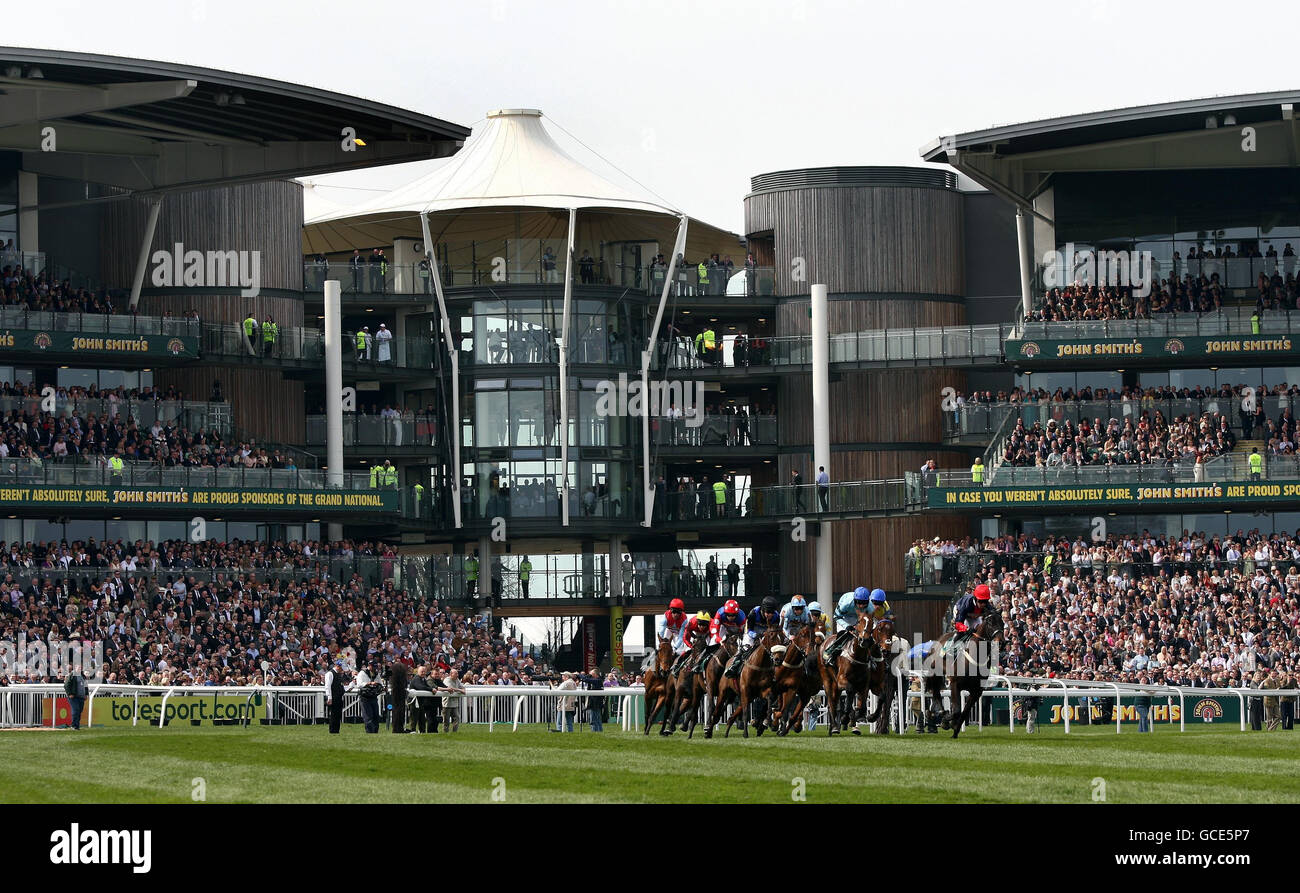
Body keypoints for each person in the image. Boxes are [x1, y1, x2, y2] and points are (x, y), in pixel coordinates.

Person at [727, 596, 780, 677]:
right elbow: (749, 629)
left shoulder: (776, 616)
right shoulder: (754, 613)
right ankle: (734, 666)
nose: (770, 615)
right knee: (745, 648)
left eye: (772, 612)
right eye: (768, 612)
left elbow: (774, 630)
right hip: (752, 632)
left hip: (766, 633)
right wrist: (756, 636)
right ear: (763, 609)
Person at [697, 598, 745, 675]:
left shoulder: (742, 617)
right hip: (723, 626)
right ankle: (701, 663)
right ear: (725, 613)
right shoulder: (720, 613)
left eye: (733, 615)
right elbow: (714, 631)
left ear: (737, 614)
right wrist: (719, 640)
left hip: (735, 629)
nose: (731, 617)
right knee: (712, 643)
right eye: (728, 615)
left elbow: (742, 633)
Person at [353, 662, 382, 733]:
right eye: (373, 667)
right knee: (368, 716)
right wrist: (369, 683)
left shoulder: (376, 674)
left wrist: (380, 686)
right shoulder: (362, 673)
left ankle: (375, 731)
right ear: (369, 666)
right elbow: (359, 684)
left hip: (373, 696)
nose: (375, 669)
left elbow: (380, 683)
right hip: (365, 697)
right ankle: (369, 732)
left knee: (375, 715)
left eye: (376, 667)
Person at [409, 665, 437, 733]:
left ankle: (422, 731)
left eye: (425, 672)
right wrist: (431, 689)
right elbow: (420, 687)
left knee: (422, 718)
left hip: (420, 701)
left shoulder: (423, 679)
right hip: (414, 701)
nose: (423, 673)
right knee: (414, 717)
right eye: (422, 671)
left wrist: (434, 688)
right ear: (418, 672)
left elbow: (426, 686)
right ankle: (413, 730)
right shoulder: (416, 678)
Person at [324, 658, 347, 733]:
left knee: (338, 714)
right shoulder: (330, 673)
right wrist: (329, 697)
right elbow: (328, 686)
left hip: (338, 697)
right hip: (333, 697)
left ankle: (336, 730)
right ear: (338, 666)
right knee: (334, 714)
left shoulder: (338, 674)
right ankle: (333, 730)